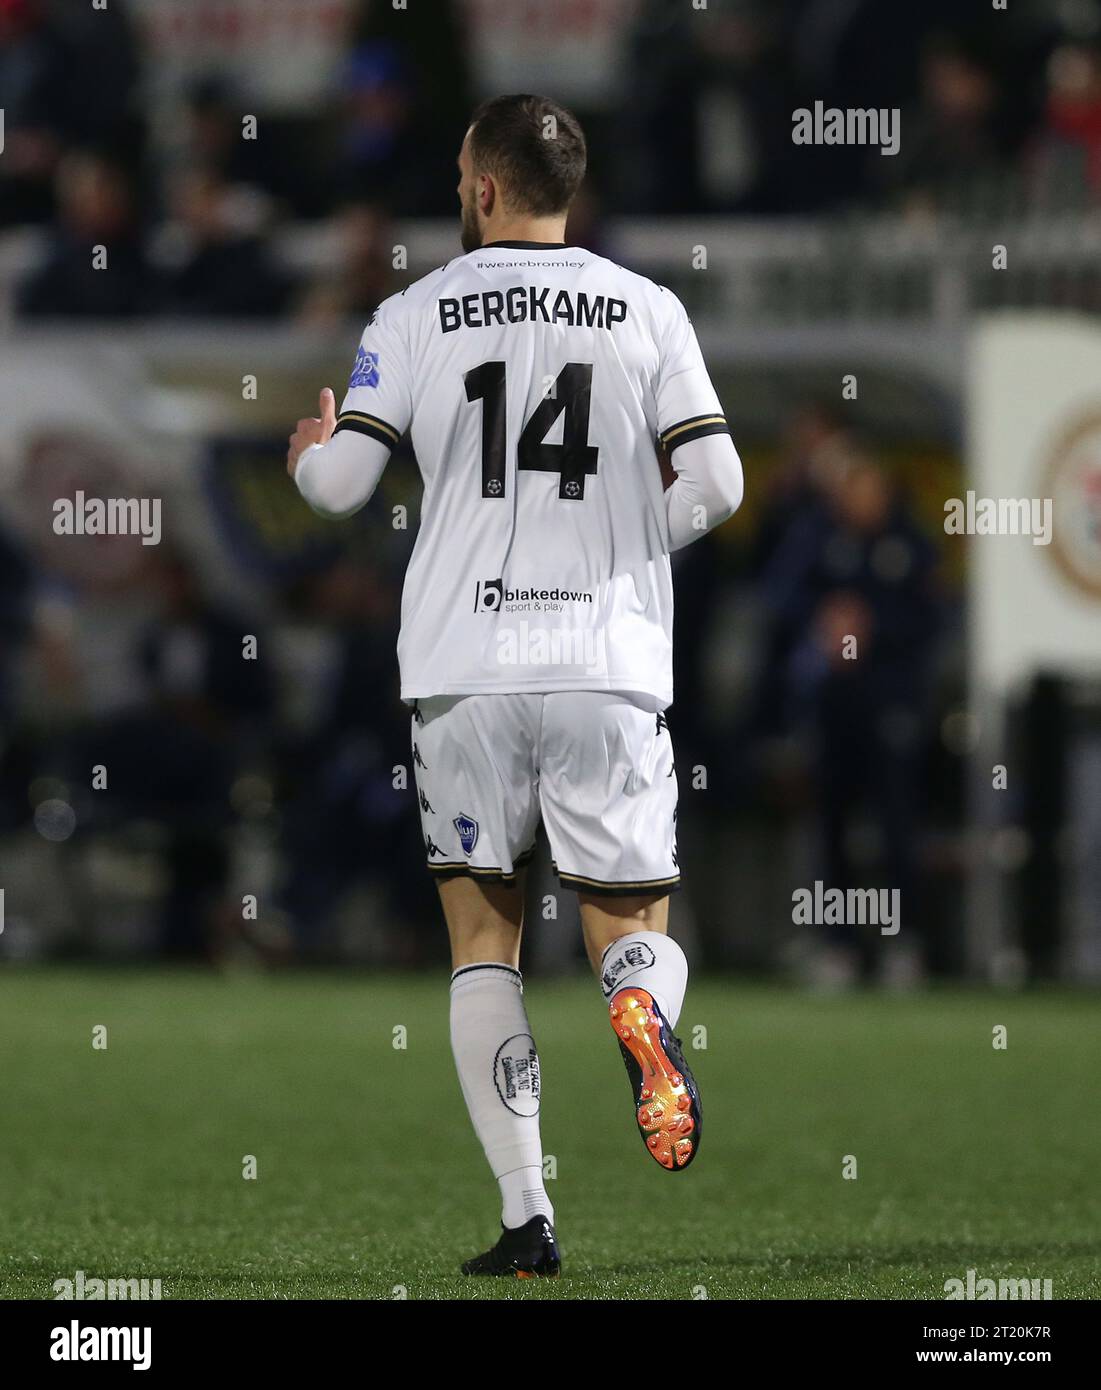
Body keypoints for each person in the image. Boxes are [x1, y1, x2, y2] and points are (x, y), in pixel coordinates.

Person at [285, 94, 744, 1277]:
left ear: (484, 187)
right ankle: (641, 1014)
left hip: (463, 669)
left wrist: (306, 454)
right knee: (627, 919)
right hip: (606, 660)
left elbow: (342, 488)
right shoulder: (650, 310)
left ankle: (528, 1217)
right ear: (568, 188)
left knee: (482, 943)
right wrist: (637, 542)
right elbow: (722, 482)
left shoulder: (415, 309)